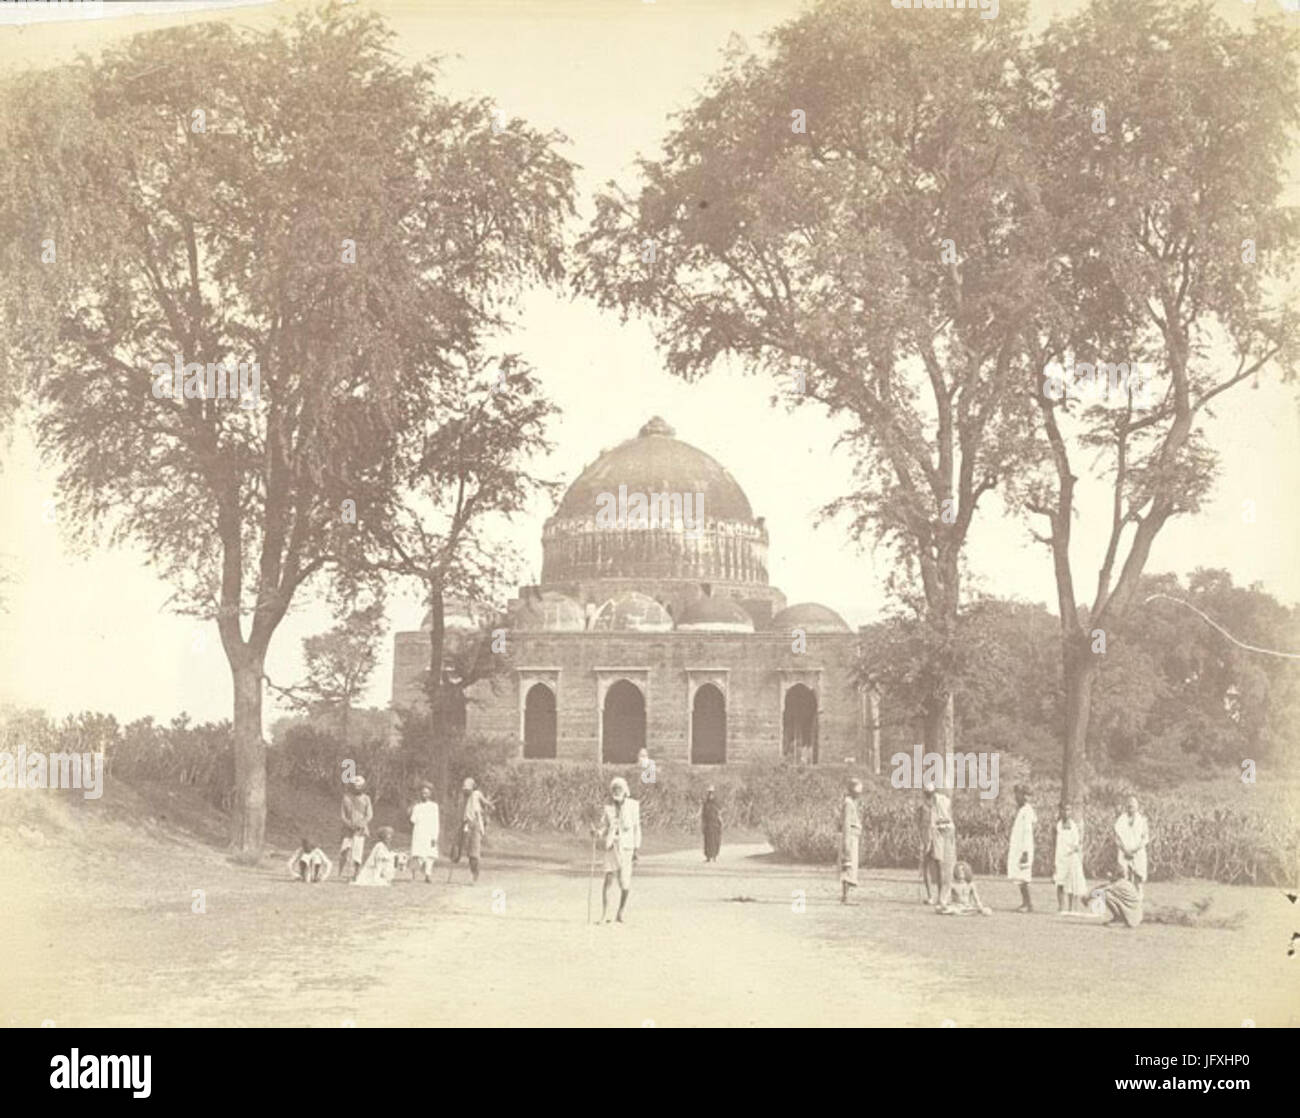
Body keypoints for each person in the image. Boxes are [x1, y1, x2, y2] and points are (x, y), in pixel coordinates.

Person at [594, 776, 641, 923]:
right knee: (608, 879)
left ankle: (620, 913)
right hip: (611, 846)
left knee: (624, 882)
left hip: (627, 847)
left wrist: (636, 849)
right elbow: (604, 826)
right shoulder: (608, 807)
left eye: (619, 789)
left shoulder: (633, 805)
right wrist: (597, 833)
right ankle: (604, 914)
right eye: (614, 789)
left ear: (625, 791)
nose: (616, 791)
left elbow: (636, 828)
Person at [922, 778, 956, 908]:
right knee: (926, 866)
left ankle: (941, 897)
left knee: (939, 865)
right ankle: (931, 896)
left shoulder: (942, 802)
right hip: (928, 837)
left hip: (938, 836)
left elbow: (947, 822)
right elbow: (921, 824)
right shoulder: (924, 806)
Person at [1006, 784, 1036, 912]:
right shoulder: (1022, 810)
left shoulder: (1027, 811)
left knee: (1024, 877)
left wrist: (1025, 851)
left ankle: (1028, 904)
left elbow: (1027, 832)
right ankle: (1025, 902)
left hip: (1025, 848)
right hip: (1020, 847)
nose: (1016, 797)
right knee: (1020, 877)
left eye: (1018, 794)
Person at [1054, 802, 1088, 913]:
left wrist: (1071, 852)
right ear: (1060, 811)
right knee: (1059, 882)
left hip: (1071, 858)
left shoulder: (1073, 826)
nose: (1065, 812)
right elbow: (1055, 843)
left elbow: (1077, 844)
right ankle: (1061, 908)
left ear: (1071, 811)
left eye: (1068, 810)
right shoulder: (1057, 825)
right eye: (1063, 810)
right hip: (1059, 858)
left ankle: (1071, 908)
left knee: (1072, 883)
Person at [1114, 795, 1150, 899]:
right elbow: (1117, 838)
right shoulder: (1121, 820)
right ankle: (1126, 901)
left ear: (1137, 806)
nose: (1131, 808)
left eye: (1133, 805)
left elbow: (1145, 838)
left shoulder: (1142, 820)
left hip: (1137, 852)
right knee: (1124, 878)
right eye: (1129, 805)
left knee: (1138, 878)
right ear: (1126, 807)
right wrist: (1125, 850)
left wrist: (1135, 850)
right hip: (1124, 852)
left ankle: (1138, 901)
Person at [458, 777, 492, 883]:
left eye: (468, 789)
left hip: (476, 824)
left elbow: (485, 801)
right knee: (469, 852)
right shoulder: (463, 798)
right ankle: (473, 872)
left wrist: (490, 805)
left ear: (473, 787)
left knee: (474, 851)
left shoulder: (476, 793)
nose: (466, 791)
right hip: (466, 825)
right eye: (465, 789)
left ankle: (475, 874)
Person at [339, 776, 373, 882]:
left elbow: (369, 814)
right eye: (355, 786)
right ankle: (342, 872)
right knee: (345, 850)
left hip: (360, 830)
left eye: (359, 786)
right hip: (347, 829)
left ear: (363, 786)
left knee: (357, 852)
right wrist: (349, 824)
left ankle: (355, 873)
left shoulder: (366, 798)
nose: (357, 788)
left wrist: (362, 824)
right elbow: (342, 815)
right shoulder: (346, 798)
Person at [409, 783, 440, 883]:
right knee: (418, 854)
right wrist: (411, 809)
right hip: (419, 833)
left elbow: (436, 822)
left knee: (430, 855)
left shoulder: (434, 806)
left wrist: (435, 837)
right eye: (422, 793)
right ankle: (414, 876)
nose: (424, 795)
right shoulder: (417, 807)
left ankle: (428, 875)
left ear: (430, 794)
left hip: (430, 833)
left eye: (426, 793)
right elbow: (413, 820)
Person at [839, 777, 863, 904]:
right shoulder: (848, 803)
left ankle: (846, 896)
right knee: (848, 865)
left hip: (853, 836)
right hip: (850, 837)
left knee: (850, 865)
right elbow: (846, 824)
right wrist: (846, 844)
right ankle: (846, 896)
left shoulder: (850, 802)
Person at [701, 786, 722, 863]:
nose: (710, 795)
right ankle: (708, 857)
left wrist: (721, 822)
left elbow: (719, 813)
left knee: (715, 840)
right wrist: (703, 824)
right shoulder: (706, 803)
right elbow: (703, 814)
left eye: (712, 793)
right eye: (709, 793)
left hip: (715, 824)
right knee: (707, 841)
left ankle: (714, 856)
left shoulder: (717, 803)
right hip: (708, 824)